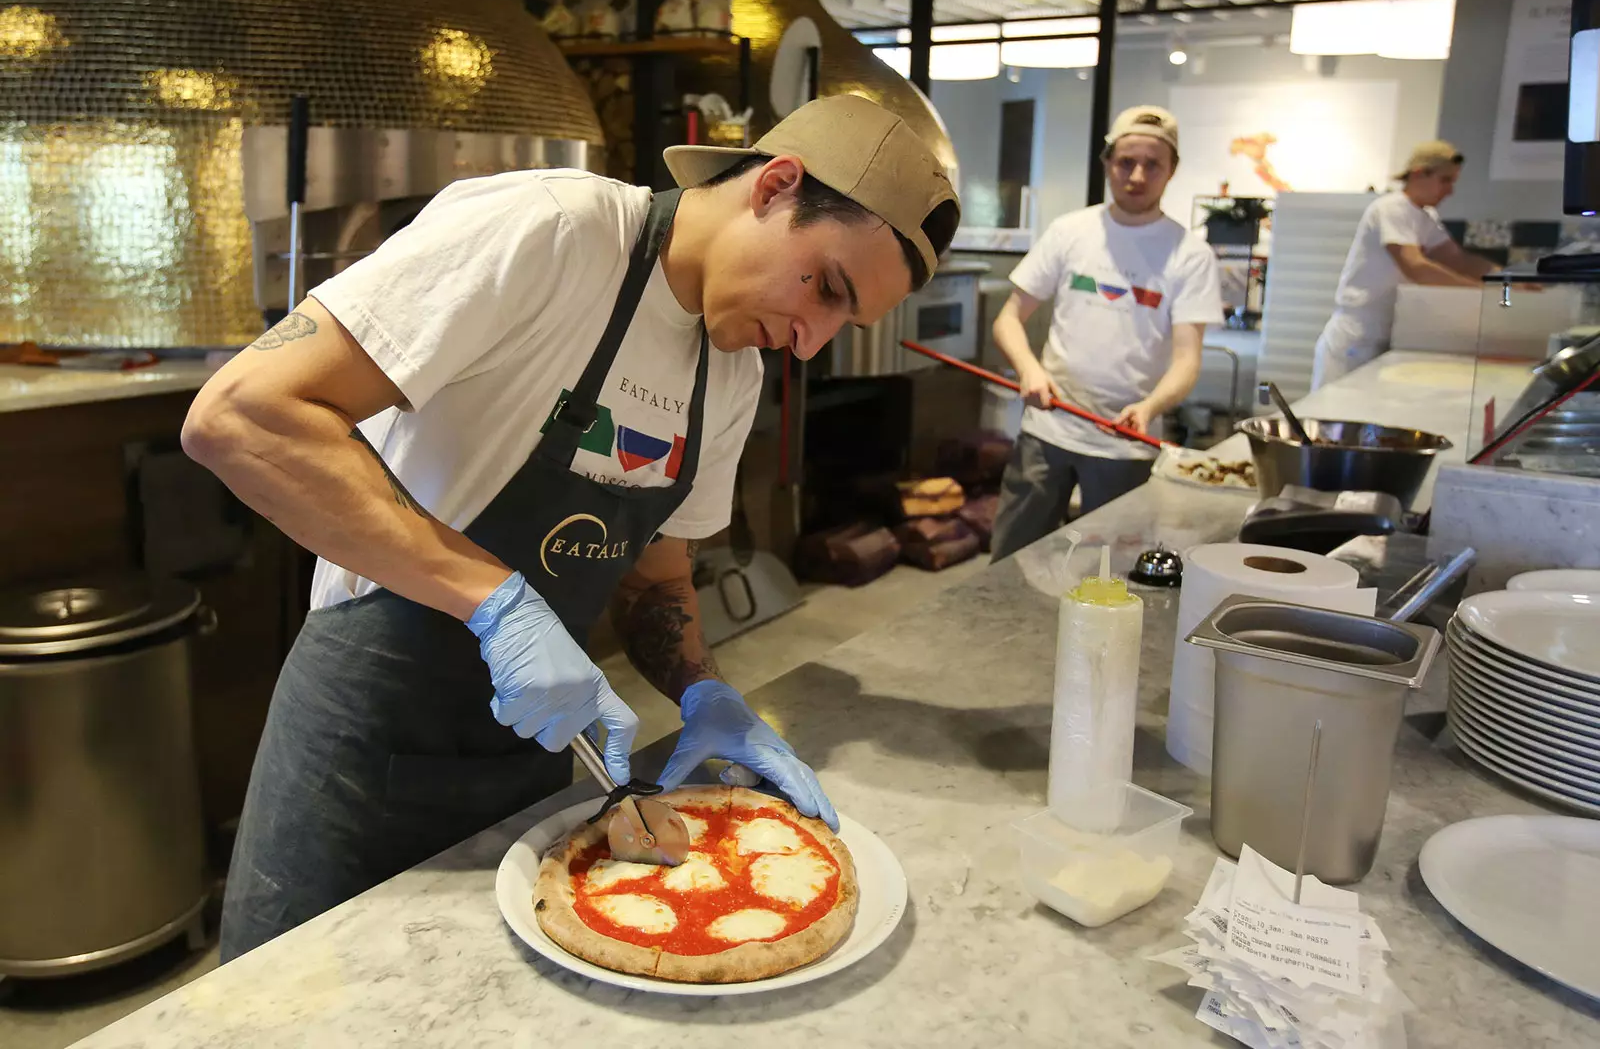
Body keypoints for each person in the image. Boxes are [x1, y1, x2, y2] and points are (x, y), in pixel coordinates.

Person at [182, 94, 960, 960]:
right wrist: (496, 604)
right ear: (775, 187)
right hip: (363, 746)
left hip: (541, 762)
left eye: (840, 322)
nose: (808, 343)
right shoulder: (550, 233)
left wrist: (704, 690)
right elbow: (241, 416)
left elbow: (657, 576)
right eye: (825, 284)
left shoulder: (731, 369)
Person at [989, 105, 1223, 562]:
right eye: (1125, 162)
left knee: (1108, 574)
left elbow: (1187, 359)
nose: (1136, 175)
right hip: (1048, 428)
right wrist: (1030, 370)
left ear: (1171, 170)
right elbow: (1008, 318)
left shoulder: (1190, 255)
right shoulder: (1070, 231)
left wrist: (1151, 406)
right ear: (1107, 164)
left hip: (1125, 442)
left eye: (1152, 164)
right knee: (1010, 561)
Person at [1312, 140, 1495, 387]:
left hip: (1385, 333)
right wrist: (1483, 292)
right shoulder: (1391, 207)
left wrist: (1505, 280)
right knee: (1333, 420)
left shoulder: (1424, 217)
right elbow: (1415, 267)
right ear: (1420, 173)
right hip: (1356, 336)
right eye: (1445, 180)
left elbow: (1457, 260)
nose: (1450, 191)